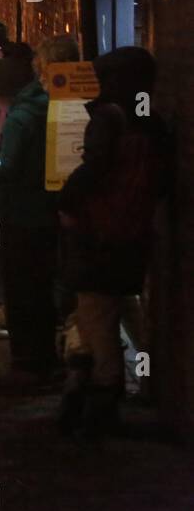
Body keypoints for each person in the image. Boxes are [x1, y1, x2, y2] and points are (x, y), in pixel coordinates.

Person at [57, 47, 172, 436]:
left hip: (99, 234)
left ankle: (104, 398)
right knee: (118, 309)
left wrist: (65, 201)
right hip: (133, 234)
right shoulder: (152, 124)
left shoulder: (109, 119)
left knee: (95, 316)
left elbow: (94, 169)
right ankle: (135, 379)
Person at [0, 54, 59, 391]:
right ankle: (45, 361)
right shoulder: (47, 106)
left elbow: (7, 167)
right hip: (45, 210)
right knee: (41, 290)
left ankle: (25, 364)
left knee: (21, 290)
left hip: (19, 213)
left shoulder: (19, 118)